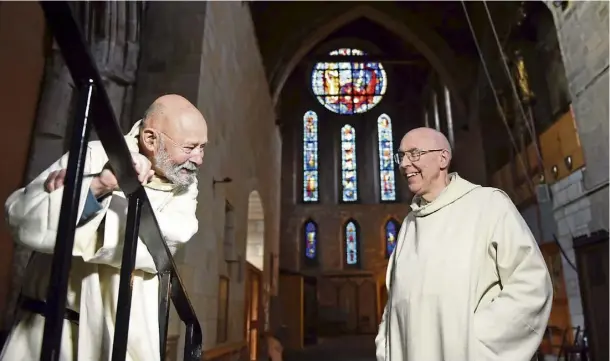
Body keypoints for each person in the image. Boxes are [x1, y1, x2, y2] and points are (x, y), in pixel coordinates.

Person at [1, 94, 208, 360]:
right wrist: (99, 185)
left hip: (120, 340)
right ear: (150, 139)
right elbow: (24, 220)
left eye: (203, 147)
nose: (199, 159)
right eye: (190, 148)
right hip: (49, 330)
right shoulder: (94, 155)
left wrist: (80, 198)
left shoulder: (186, 190)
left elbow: (159, 247)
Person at [375, 127, 553, 361]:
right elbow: (396, 299)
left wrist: (477, 339)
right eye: (401, 156)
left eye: (414, 154)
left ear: (443, 158)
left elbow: (531, 282)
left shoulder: (488, 205)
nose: (404, 163)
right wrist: (386, 348)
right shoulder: (408, 225)